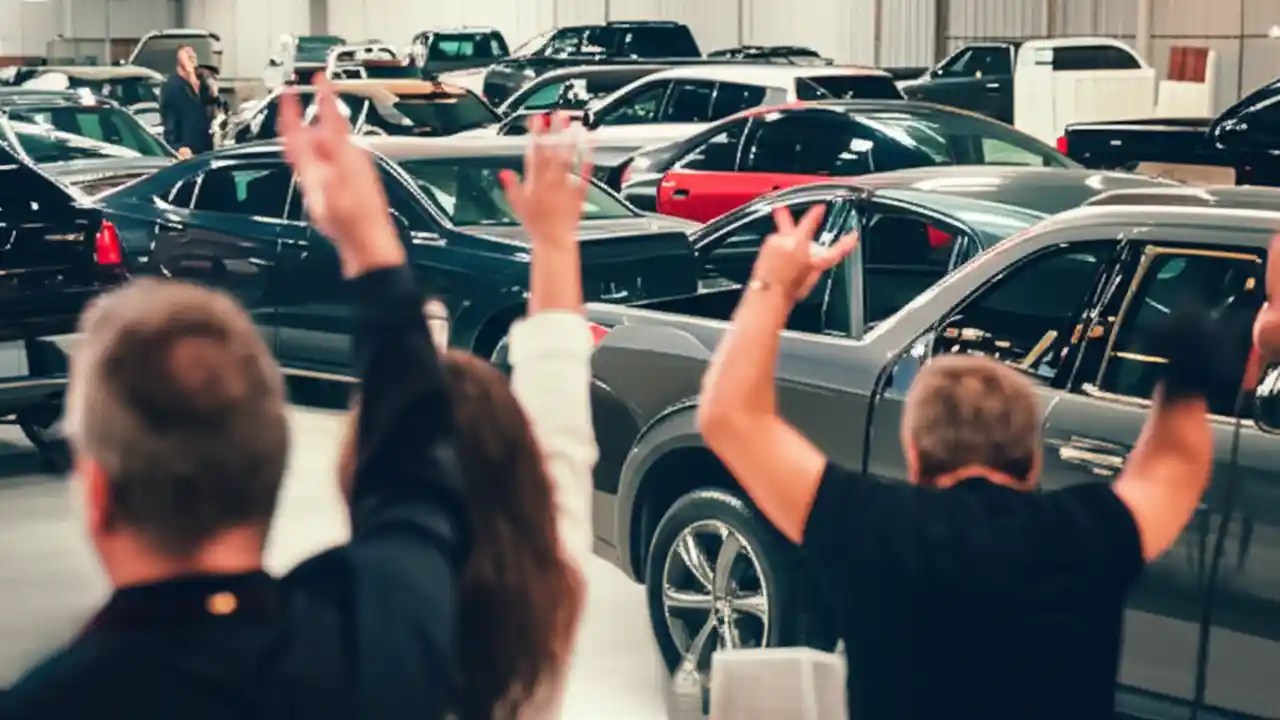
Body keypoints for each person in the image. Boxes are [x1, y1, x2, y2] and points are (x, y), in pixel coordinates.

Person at [4, 76, 468, 718]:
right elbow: (414, 482)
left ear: (96, 493)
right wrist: (372, 249)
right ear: (272, 468)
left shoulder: (48, 704)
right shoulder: (383, 644)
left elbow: (414, 483)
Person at [697, 205, 1228, 719]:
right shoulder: (1087, 534)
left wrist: (773, 285)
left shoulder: (868, 526)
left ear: (914, 452)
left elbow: (731, 418)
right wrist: (1188, 365)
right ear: (1031, 457)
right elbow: (1174, 465)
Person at [337, 113, 597, 719]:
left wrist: (367, 240)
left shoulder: (352, 627)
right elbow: (558, 397)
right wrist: (555, 239)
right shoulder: (549, 587)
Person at [160, 44, 212, 158]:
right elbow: (170, 119)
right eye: (188, 56)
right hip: (186, 151)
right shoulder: (173, 86)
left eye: (193, 55)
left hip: (203, 149)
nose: (192, 57)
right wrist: (177, 146)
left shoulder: (199, 85)